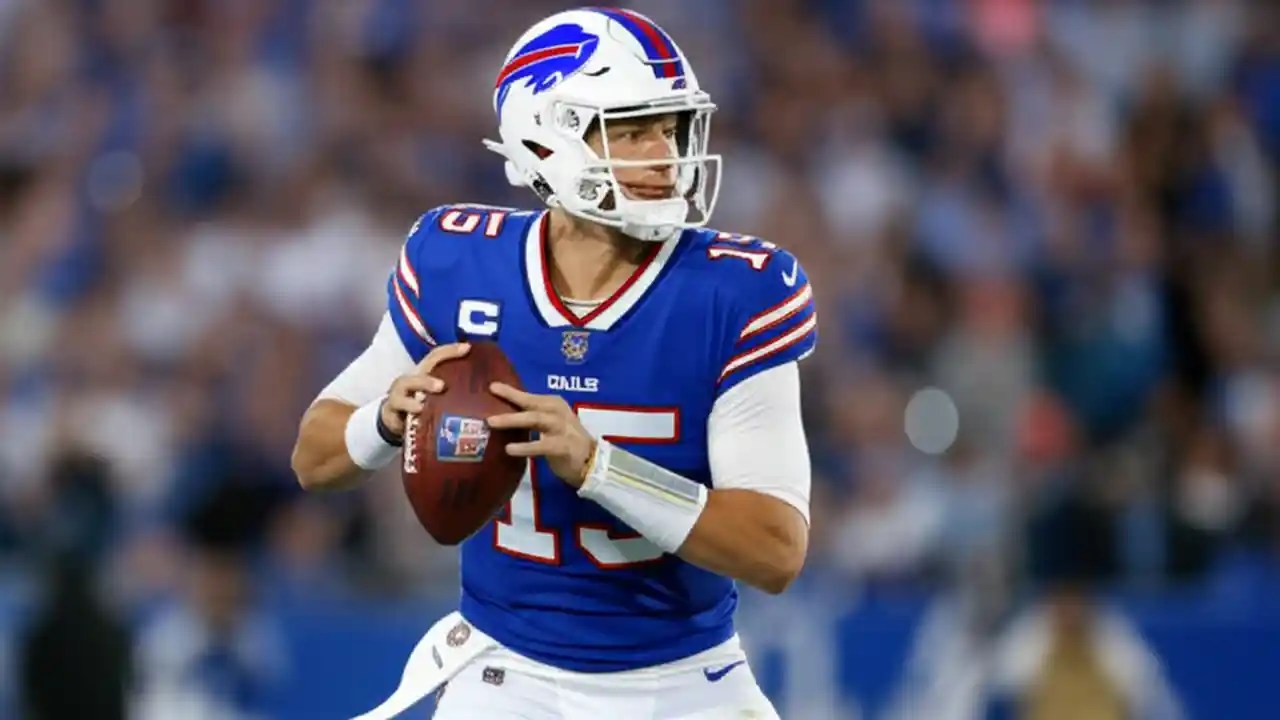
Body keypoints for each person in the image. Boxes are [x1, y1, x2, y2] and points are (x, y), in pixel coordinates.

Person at [291, 8, 817, 718]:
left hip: (684, 682)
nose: (665, 153)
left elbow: (775, 549)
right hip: (506, 675)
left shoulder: (735, 292)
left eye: (672, 127)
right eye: (632, 130)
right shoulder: (459, 263)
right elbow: (313, 456)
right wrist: (384, 424)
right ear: (547, 141)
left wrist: (599, 466)